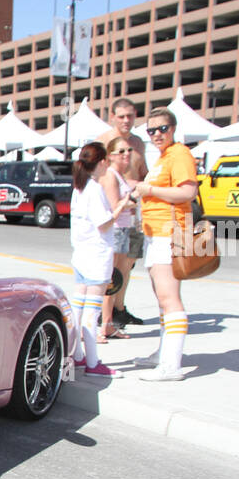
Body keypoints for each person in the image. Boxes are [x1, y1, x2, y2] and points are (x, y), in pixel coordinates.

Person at [133, 108, 199, 381]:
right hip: (156, 232)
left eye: (162, 128)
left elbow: (188, 191)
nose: (157, 134)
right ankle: (164, 354)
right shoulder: (164, 157)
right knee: (162, 298)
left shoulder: (180, 154)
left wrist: (149, 190)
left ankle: (171, 364)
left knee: (169, 298)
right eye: (151, 130)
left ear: (173, 128)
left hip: (169, 233)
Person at [69, 142, 133, 378]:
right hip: (96, 255)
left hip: (81, 254)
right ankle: (93, 363)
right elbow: (104, 223)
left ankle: (76, 356)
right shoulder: (94, 189)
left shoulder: (79, 187)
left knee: (78, 307)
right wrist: (122, 207)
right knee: (91, 312)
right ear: (101, 162)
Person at [97, 98, 149, 328]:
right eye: (121, 116)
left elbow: (144, 172)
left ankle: (120, 309)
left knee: (128, 265)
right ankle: (103, 313)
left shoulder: (139, 143)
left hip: (135, 212)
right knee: (111, 267)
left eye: (130, 116)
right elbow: (97, 176)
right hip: (115, 213)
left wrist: (144, 185)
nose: (126, 120)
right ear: (112, 116)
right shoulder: (103, 141)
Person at [99, 136, 138, 342]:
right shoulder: (111, 176)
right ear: (111, 156)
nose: (127, 155)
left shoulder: (121, 176)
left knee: (119, 279)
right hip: (114, 230)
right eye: (121, 151)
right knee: (111, 280)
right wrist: (132, 201)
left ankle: (109, 323)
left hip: (123, 230)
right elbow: (115, 206)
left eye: (129, 150)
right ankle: (104, 324)